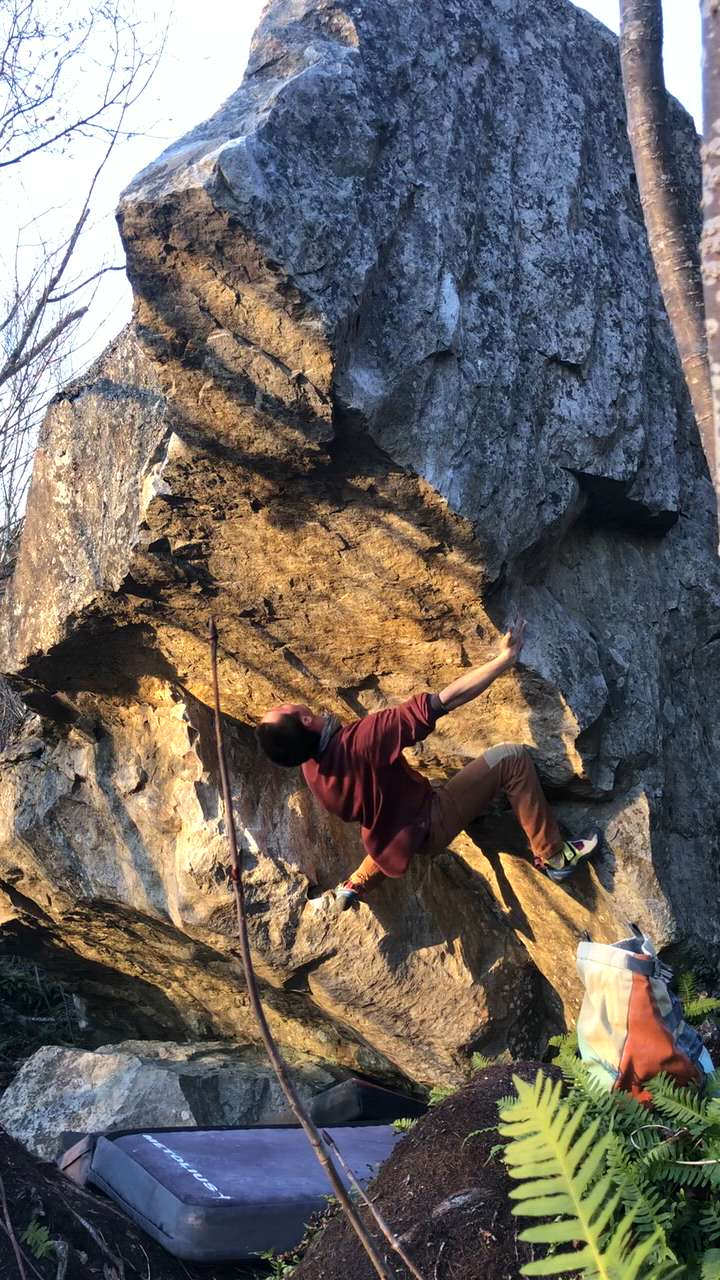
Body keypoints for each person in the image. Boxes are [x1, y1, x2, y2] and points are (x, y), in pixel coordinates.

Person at [256, 621, 598, 907]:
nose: (284, 701)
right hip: (429, 821)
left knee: (387, 824)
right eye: (283, 707)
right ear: (303, 719)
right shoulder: (364, 740)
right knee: (512, 758)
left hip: (394, 831)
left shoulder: (312, 769)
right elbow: (446, 700)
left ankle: (355, 883)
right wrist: (504, 660)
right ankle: (553, 856)